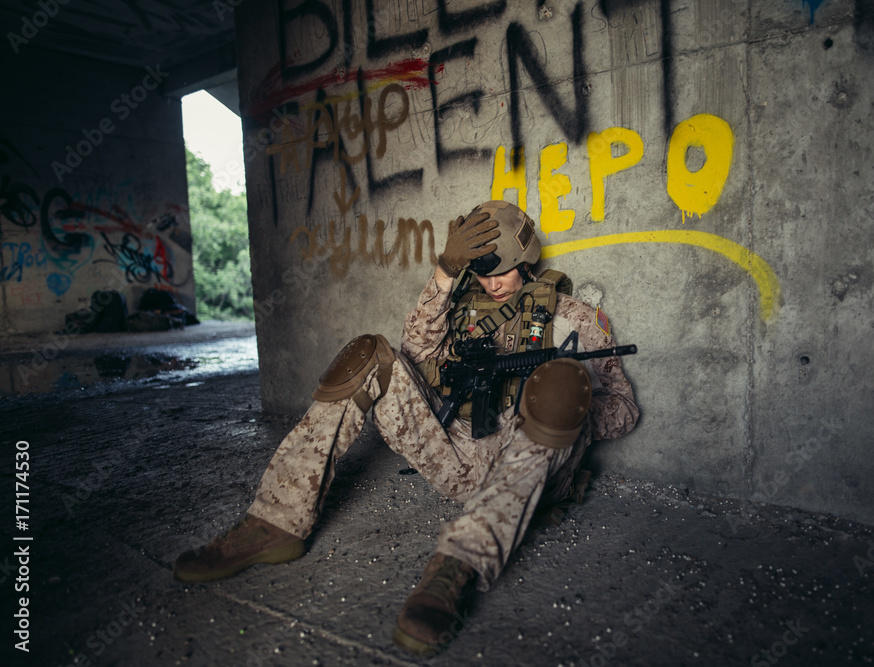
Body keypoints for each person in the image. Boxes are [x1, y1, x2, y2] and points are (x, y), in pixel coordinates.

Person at [173, 200, 639, 657]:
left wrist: (554, 407)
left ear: (527, 259)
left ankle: (454, 568)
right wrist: (444, 271)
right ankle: (274, 522)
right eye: (479, 271)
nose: (492, 282)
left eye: (502, 270)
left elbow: (623, 410)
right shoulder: (462, 308)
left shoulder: (572, 317)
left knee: (559, 385)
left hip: (531, 472)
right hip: (459, 459)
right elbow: (411, 351)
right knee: (367, 354)